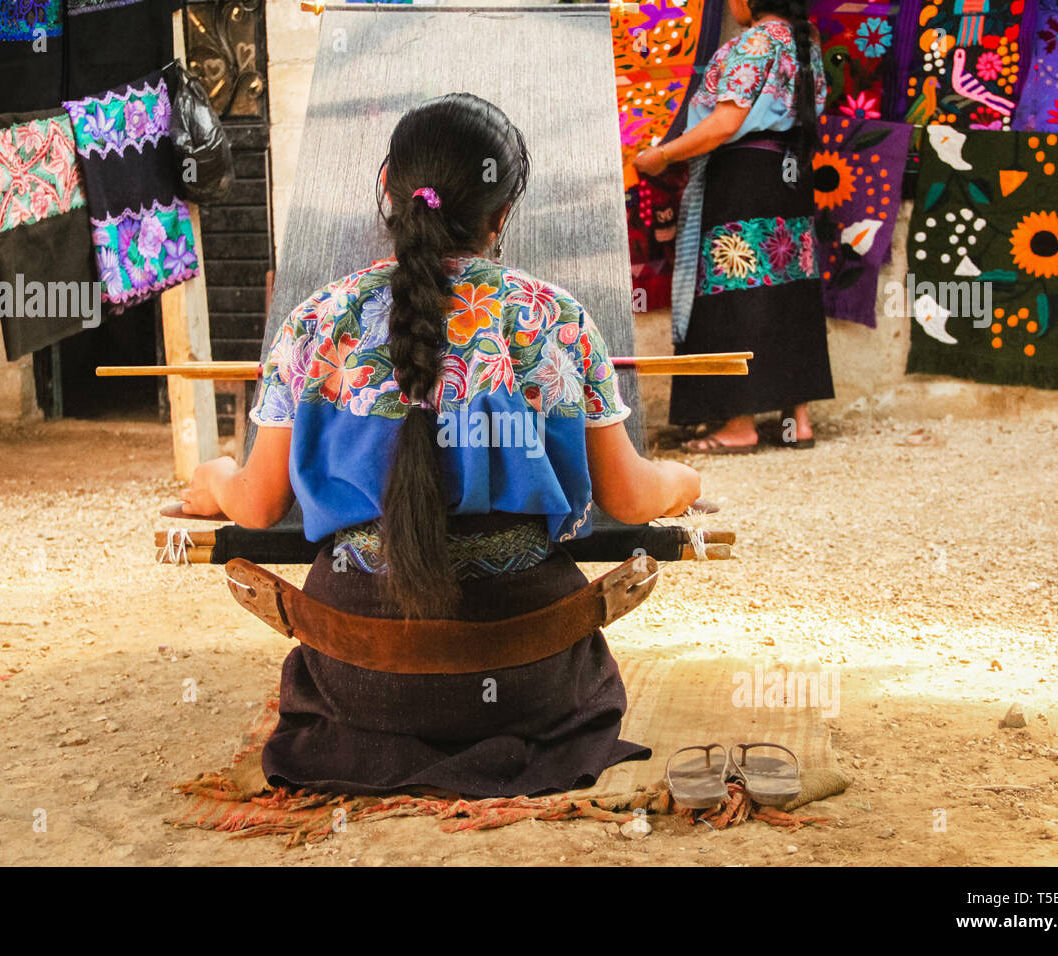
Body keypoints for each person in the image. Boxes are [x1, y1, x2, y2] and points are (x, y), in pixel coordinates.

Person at [180, 93, 702, 798]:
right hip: (527, 670)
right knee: (577, 667)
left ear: (388, 187)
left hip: (360, 673)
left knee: (346, 668)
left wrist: (214, 479)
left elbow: (257, 502)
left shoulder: (317, 320)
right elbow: (633, 499)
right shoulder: (554, 316)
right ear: (503, 214)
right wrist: (683, 479)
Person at [634, 0, 833, 453]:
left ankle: (739, 425)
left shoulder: (752, 44)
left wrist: (663, 155)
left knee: (734, 288)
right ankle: (796, 421)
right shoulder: (807, 46)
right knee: (788, 290)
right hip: (789, 175)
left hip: (744, 177)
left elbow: (725, 123)